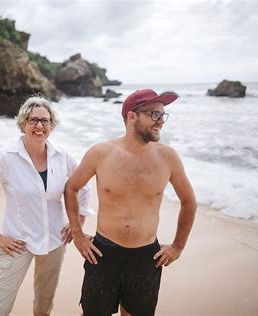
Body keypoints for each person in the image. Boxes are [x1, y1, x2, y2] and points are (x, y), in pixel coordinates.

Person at [64, 89, 197, 316]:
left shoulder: (168, 157)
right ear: (132, 116)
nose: (161, 122)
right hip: (103, 252)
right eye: (154, 114)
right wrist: (77, 234)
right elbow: (71, 188)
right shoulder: (100, 153)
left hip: (146, 258)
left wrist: (178, 246)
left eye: (163, 115)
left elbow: (189, 202)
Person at [0, 96, 93, 316]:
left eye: (45, 121)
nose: (40, 126)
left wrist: (77, 223)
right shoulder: (7, 156)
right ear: (23, 123)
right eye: (33, 120)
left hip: (54, 240)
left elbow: (84, 187)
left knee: (44, 302)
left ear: (52, 124)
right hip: (17, 242)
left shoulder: (62, 156)